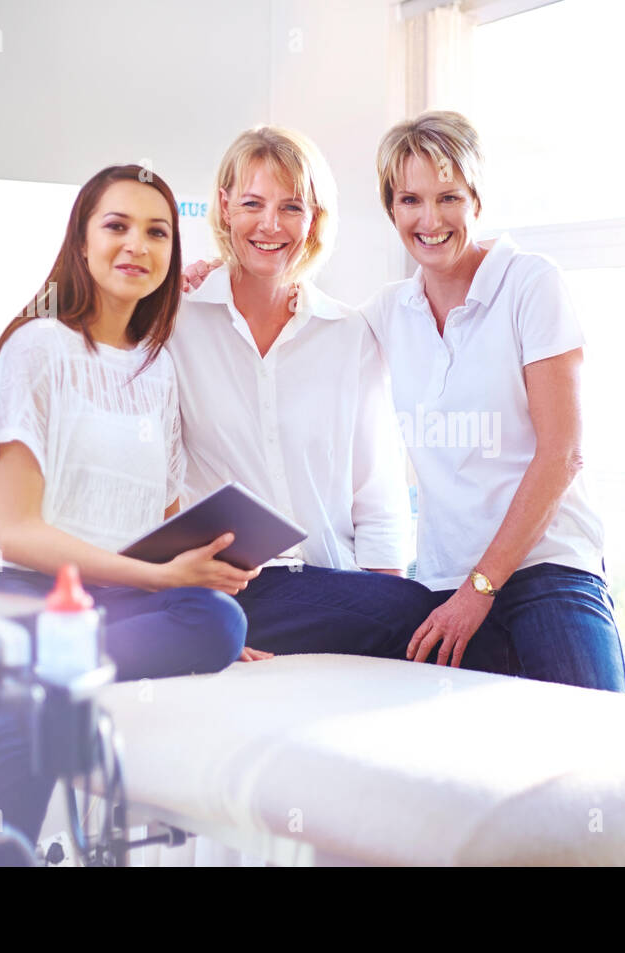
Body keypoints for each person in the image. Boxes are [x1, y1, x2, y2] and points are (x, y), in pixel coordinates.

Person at [0, 164, 263, 854]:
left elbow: (164, 520)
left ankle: (25, 671)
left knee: (217, 618)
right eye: (116, 226)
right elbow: (19, 533)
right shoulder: (36, 348)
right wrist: (156, 580)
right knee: (52, 679)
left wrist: (191, 575)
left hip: (98, 598)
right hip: (6, 584)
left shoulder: (159, 368)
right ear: (82, 243)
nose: (137, 246)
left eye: (157, 232)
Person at [172, 127, 480, 666]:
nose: (270, 225)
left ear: (314, 218)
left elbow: (376, 492)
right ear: (223, 209)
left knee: (438, 621)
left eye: (292, 207)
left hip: (333, 586)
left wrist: (389, 617)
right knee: (431, 617)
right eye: (252, 204)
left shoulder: (349, 333)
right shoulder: (176, 324)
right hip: (231, 589)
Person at [362, 110, 625, 692]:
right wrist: (203, 278)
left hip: (546, 569)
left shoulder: (530, 283)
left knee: (598, 746)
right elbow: (298, 334)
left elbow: (562, 454)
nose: (430, 220)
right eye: (410, 200)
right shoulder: (388, 312)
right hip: (442, 583)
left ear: (476, 201)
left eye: (448, 197)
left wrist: (480, 588)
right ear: (392, 210)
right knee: (467, 773)